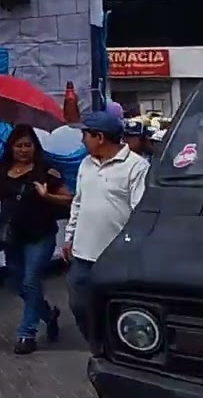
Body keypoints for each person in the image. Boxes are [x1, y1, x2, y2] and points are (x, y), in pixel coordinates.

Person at [0, 125, 72, 354]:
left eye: (28, 145)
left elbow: (69, 198)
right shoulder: (2, 170)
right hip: (13, 237)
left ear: (35, 147)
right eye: (19, 145)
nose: (23, 150)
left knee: (31, 280)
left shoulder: (47, 170)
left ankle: (26, 334)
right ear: (11, 147)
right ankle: (48, 315)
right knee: (15, 283)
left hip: (40, 234)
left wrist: (47, 195)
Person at [63, 111, 149, 347]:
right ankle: (97, 345)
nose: (83, 140)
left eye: (85, 135)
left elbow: (139, 212)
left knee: (113, 308)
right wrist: (69, 237)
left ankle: (115, 350)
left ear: (99, 137)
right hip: (82, 254)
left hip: (115, 256)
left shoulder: (136, 167)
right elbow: (78, 203)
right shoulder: (85, 164)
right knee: (78, 304)